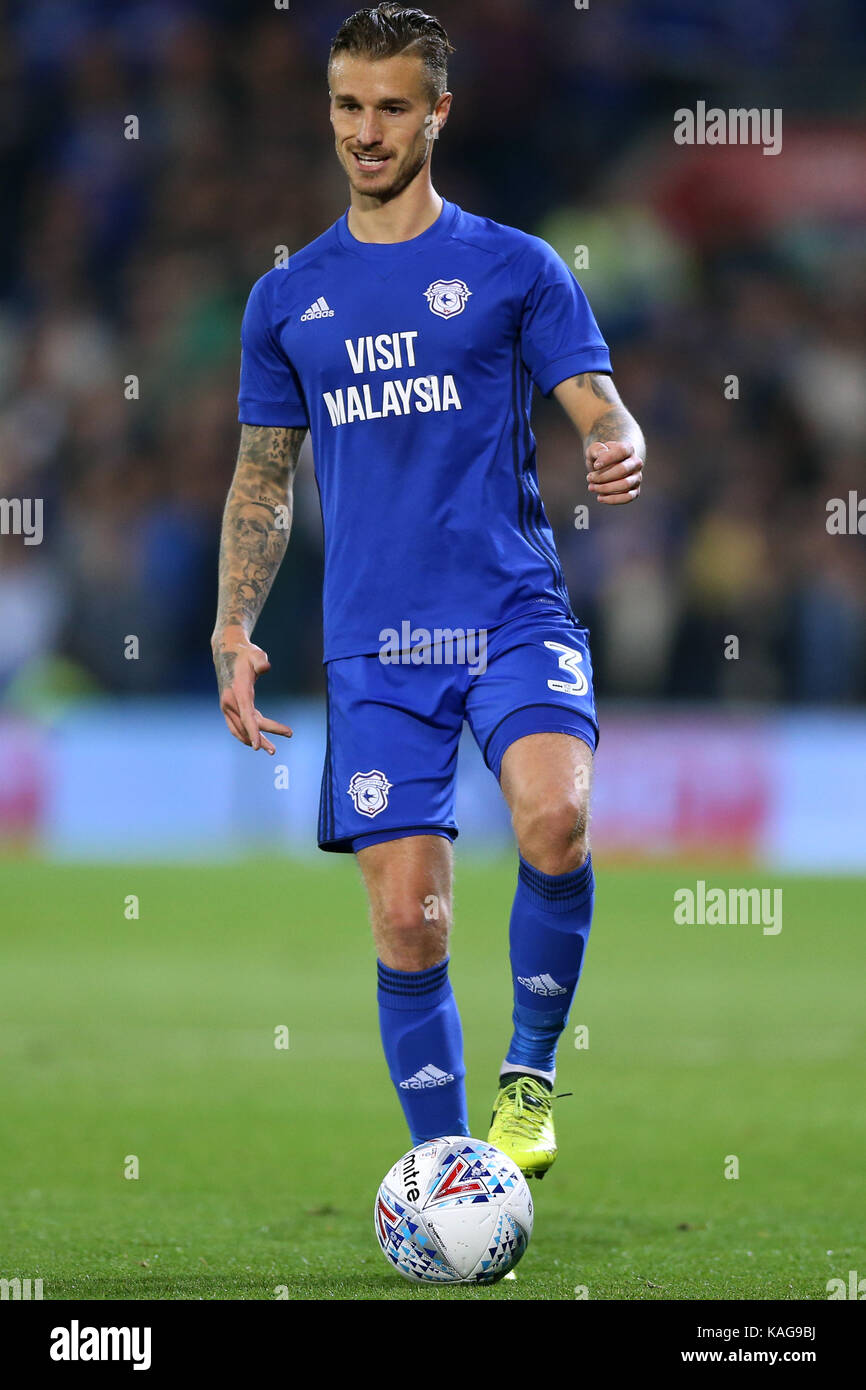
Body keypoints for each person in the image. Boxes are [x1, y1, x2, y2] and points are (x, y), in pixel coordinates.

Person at [211, 3, 645, 1179]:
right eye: (348, 105)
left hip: (508, 613)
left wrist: (617, 436)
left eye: (392, 106)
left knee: (555, 816)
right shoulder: (287, 300)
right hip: (374, 643)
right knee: (412, 921)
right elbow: (264, 475)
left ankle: (529, 1079)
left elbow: (594, 400)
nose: (365, 129)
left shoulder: (514, 266)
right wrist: (233, 625)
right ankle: (449, 1177)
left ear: (436, 114)